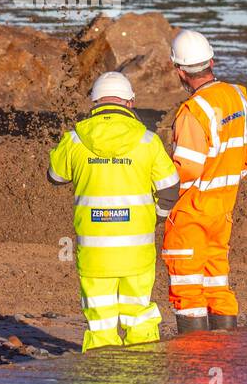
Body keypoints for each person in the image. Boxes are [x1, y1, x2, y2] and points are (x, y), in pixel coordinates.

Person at [48, 72, 179, 351]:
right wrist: (156, 217)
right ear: (130, 103)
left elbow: (55, 176)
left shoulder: (75, 139)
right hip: (137, 251)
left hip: (94, 253)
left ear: (94, 104)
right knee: (138, 314)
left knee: (101, 320)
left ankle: (102, 379)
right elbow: (170, 190)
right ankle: (142, 376)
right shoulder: (147, 141)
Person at [162, 30, 247, 332]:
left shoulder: (193, 111)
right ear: (211, 61)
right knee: (217, 280)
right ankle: (224, 354)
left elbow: (188, 169)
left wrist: (160, 196)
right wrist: (227, 177)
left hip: (192, 211)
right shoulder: (239, 97)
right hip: (222, 209)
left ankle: (196, 361)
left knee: (187, 286)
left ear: (180, 71)